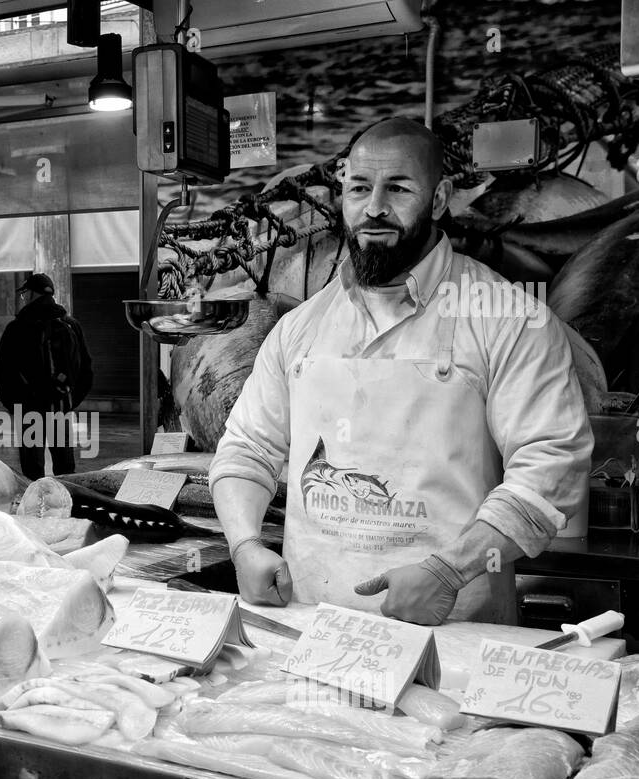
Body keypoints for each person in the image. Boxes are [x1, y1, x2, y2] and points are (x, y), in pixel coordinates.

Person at [209, 118, 592, 626]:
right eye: (359, 189)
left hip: (453, 629)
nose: (374, 209)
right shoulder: (300, 327)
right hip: (311, 627)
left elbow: (551, 466)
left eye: (398, 188)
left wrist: (449, 570)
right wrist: (244, 544)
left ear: (439, 199)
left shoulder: (508, 318)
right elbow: (246, 449)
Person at [0, 272, 93, 479]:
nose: (23, 298)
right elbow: (86, 369)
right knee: (65, 467)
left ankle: (36, 505)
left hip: (28, 410)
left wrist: (15, 405)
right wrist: (69, 401)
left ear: (32, 294)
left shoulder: (17, 327)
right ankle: (67, 503)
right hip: (61, 408)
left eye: (24, 293)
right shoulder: (71, 324)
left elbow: (2, 372)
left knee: (32, 469)